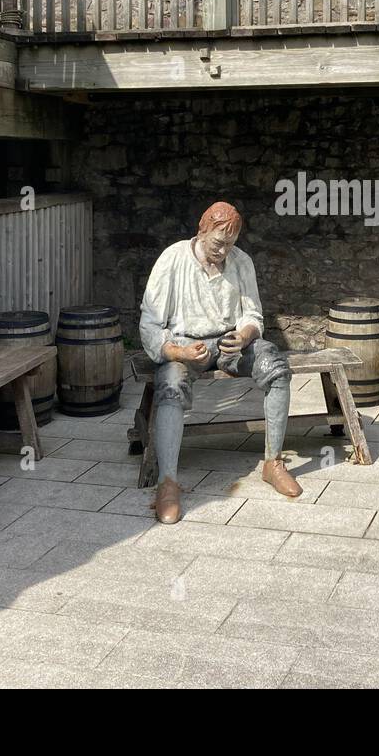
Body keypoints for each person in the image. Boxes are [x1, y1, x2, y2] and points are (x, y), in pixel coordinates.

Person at [139, 201, 298, 524]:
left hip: (229, 342)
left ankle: (273, 462)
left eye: (230, 244)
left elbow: (253, 314)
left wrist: (245, 335)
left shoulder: (241, 263)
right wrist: (176, 352)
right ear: (202, 231)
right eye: (217, 243)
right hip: (185, 343)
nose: (223, 251)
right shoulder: (173, 259)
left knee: (276, 368)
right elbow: (149, 324)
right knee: (170, 386)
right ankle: (167, 482)